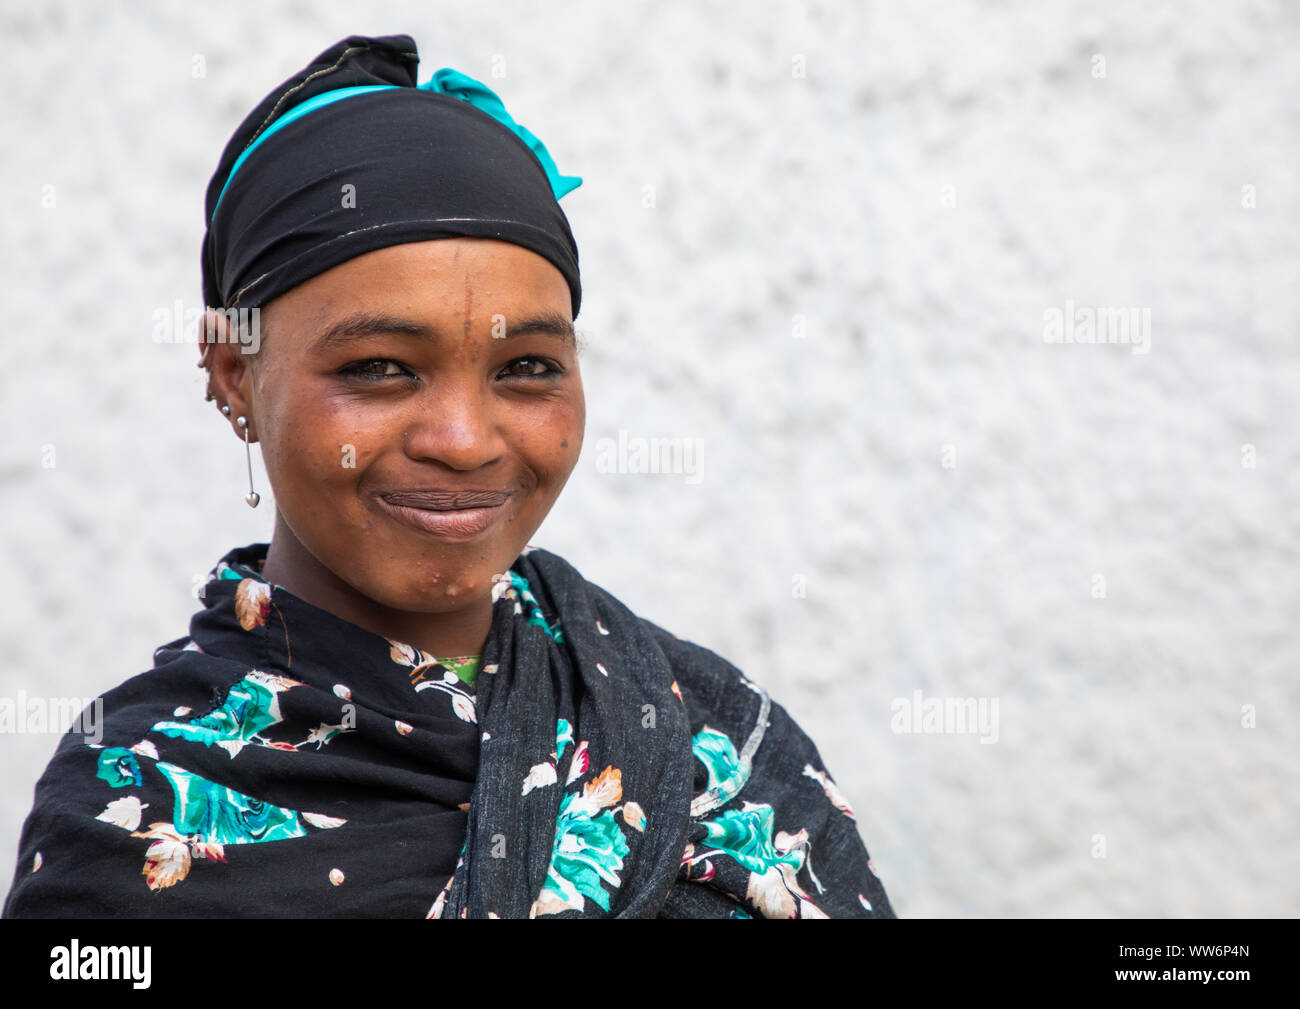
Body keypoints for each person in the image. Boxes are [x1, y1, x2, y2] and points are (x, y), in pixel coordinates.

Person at [3, 33, 896, 919]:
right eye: (381, 367)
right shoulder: (131, 812)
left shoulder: (703, 727)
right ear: (234, 371)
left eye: (526, 368)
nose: (465, 440)